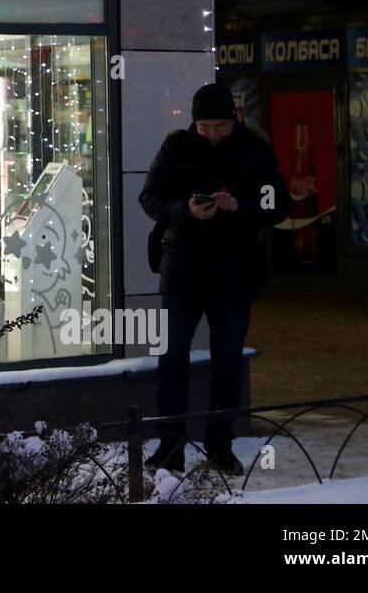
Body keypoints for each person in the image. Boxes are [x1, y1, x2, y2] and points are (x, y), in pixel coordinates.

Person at [138, 82, 289, 476]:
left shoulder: (254, 148)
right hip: (182, 270)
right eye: (204, 127)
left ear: (233, 119)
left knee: (228, 361)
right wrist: (185, 210)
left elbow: (278, 204)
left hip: (233, 272)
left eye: (219, 126)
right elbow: (149, 197)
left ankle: (219, 445)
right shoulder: (177, 146)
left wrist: (240, 206)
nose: (212, 134)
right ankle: (170, 446)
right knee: (171, 359)